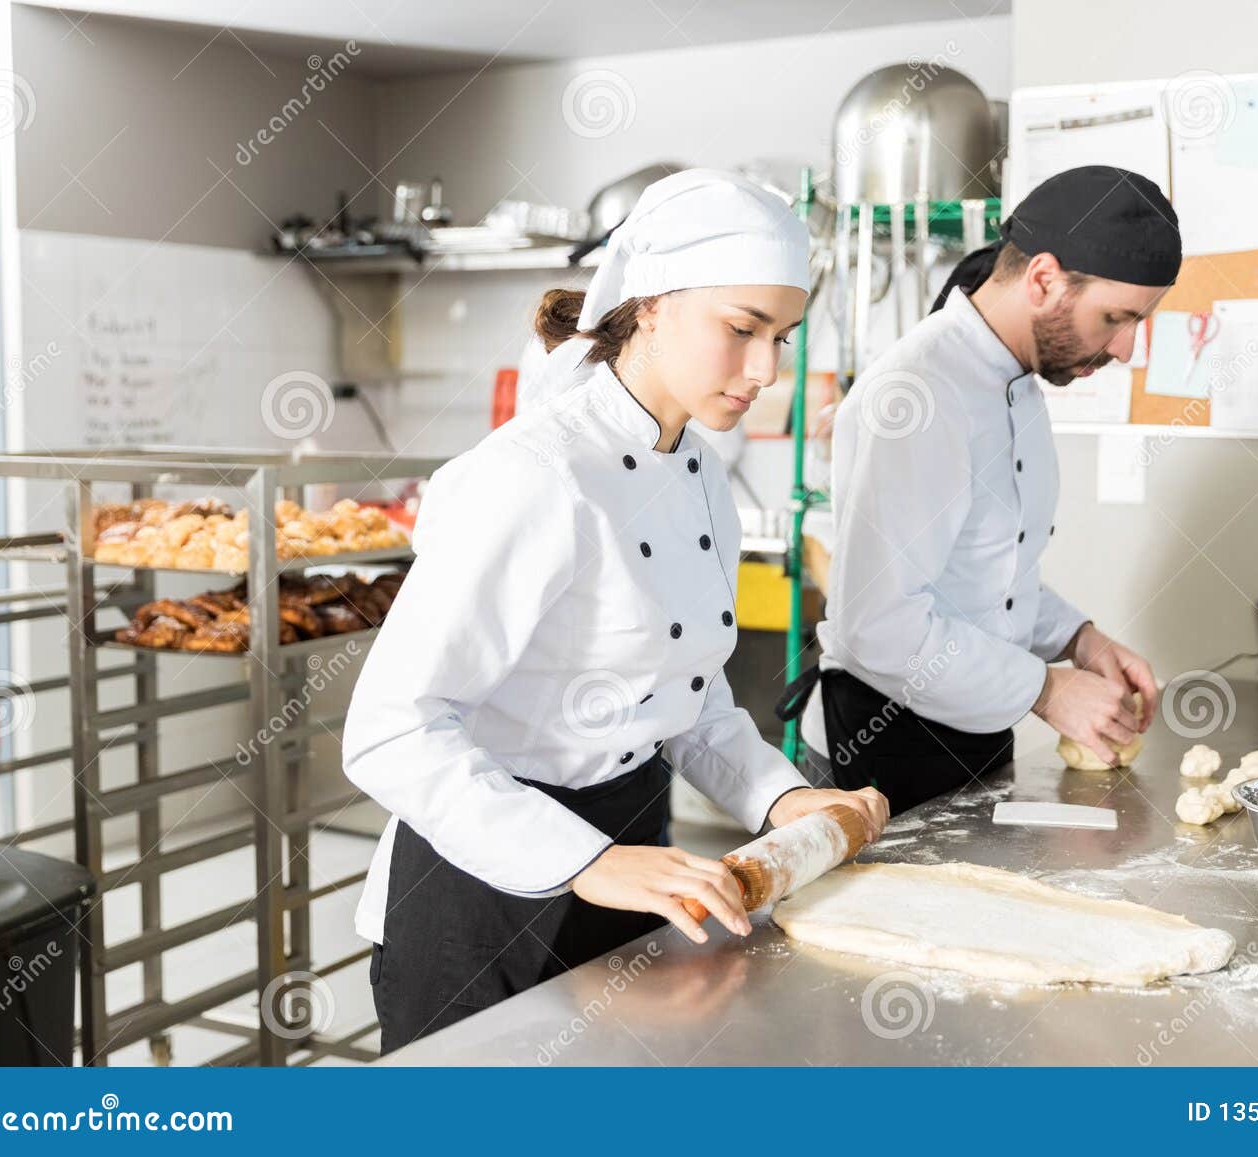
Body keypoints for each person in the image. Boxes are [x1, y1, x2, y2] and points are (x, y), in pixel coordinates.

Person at [344, 169, 888, 1053]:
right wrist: (590, 863)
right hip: (481, 895)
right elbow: (390, 732)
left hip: (637, 863)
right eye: (742, 330)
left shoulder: (701, 474)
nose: (767, 371)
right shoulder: (533, 474)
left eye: (783, 337)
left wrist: (789, 800)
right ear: (653, 305)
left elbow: (692, 700)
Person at [793, 165, 1182, 814]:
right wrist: (1048, 690)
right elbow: (877, 627)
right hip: (876, 748)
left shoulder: (1016, 376)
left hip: (971, 741)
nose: (1125, 348)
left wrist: (1080, 639)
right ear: (1042, 279)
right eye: (1116, 317)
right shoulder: (915, 394)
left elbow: (988, 565)